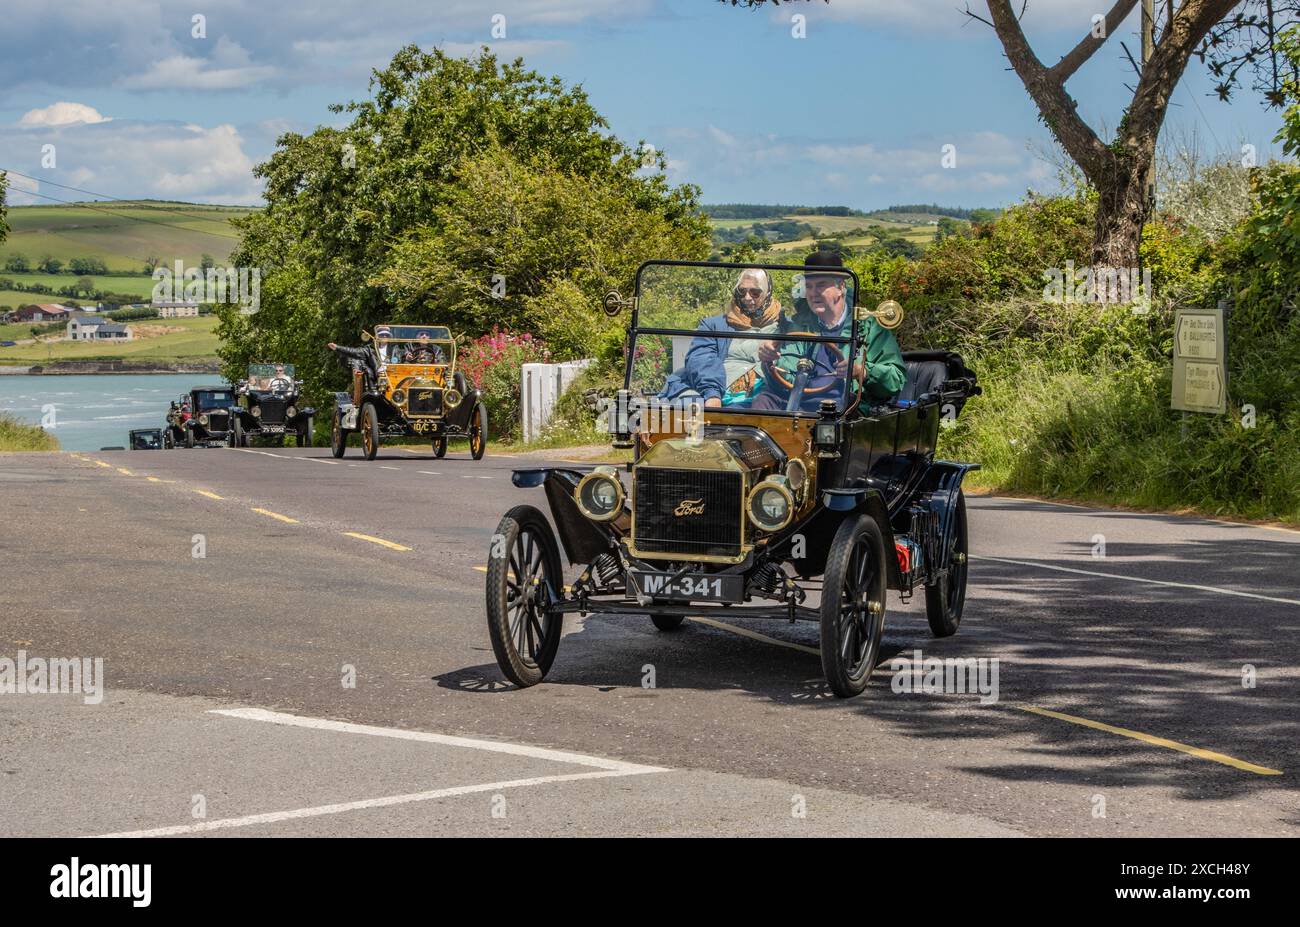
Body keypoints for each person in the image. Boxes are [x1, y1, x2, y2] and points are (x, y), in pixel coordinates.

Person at [752, 251, 906, 412]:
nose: (813, 293)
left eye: (821, 285)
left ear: (841, 287)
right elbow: (785, 379)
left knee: (838, 413)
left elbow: (896, 379)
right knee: (763, 401)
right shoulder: (799, 325)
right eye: (809, 286)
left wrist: (862, 371)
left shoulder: (868, 327)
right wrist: (770, 362)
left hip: (844, 406)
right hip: (800, 401)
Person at [659, 268, 784, 408]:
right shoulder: (714, 325)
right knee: (684, 411)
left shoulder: (784, 326)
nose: (747, 297)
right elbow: (702, 358)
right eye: (741, 292)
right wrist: (712, 394)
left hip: (762, 399)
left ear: (767, 293)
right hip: (714, 391)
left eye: (755, 292)